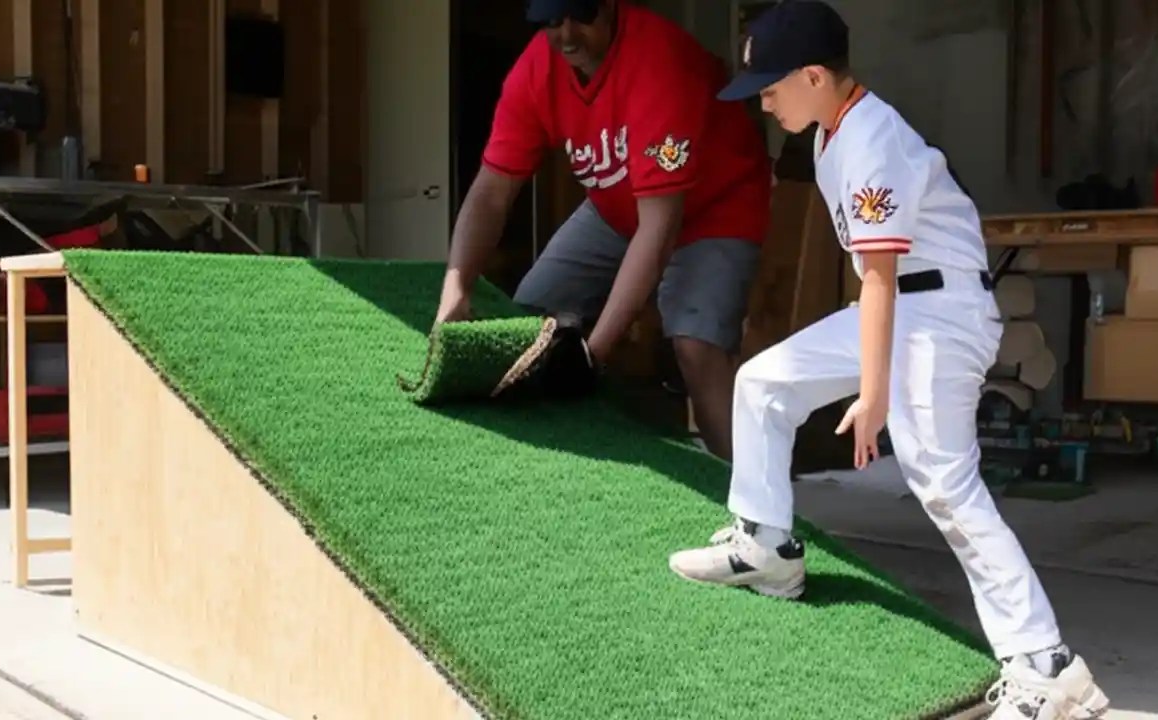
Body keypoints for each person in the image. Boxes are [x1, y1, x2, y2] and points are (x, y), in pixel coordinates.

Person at [665, 2, 1110, 718]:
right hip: (905, 307)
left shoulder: (872, 141)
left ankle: (1048, 668)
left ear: (815, 75)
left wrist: (872, 395)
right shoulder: (827, 133)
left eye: (771, 87)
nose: (764, 101)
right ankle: (768, 545)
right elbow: (875, 287)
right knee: (762, 384)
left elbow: (876, 278)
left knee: (944, 483)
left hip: (942, 317)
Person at [433, 0, 772, 460]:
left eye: (580, 16)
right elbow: (491, 192)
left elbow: (659, 229)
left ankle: (756, 506)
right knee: (530, 317)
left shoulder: (659, 63)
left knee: (696, 346)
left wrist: (594, 353)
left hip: (714, 208)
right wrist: (455, 290)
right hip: (617, 206)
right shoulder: (536, 70)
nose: (567, 35)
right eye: (551, 21)